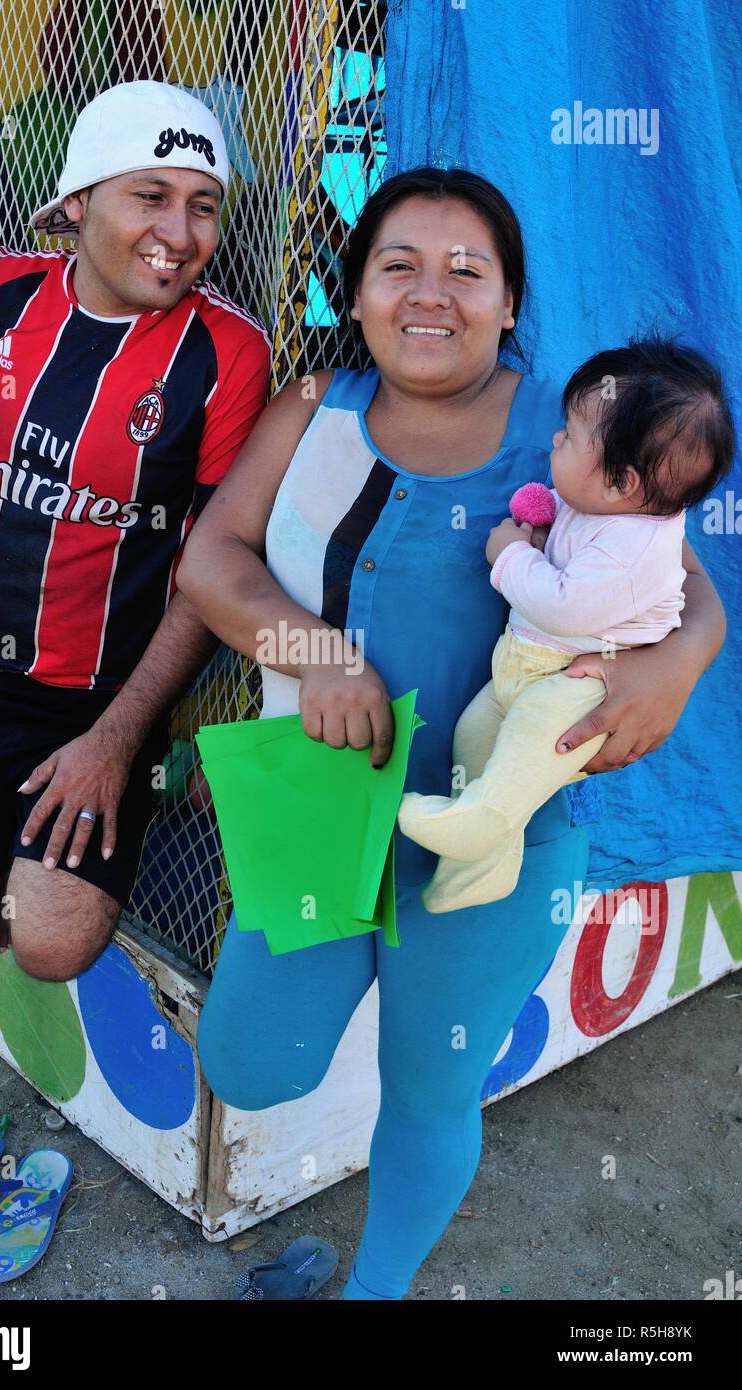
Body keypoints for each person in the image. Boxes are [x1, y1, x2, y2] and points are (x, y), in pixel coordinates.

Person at [176, 167, 727, 1300]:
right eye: (398, 267)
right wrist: (315, 653)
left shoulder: (573, 433)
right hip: (321, 814)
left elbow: (683, 590)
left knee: (429, 1088)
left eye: (465, 271)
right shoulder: (311, 408)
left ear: (510, 301)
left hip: (491, 836)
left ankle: (373, 1295)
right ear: (360, 292)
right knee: (245, 1057)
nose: (431, 294)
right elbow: (209, 560)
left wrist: (671, 668)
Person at [0, 80, 271, 1248]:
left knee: (49, 940)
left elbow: (212, 563)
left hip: (103, 696)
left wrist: (117, 737)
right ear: (77, 202)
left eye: (204, 205)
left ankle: (36, 863)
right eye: (151, 194)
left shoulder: (225, 355)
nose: (180, 230)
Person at [398, 336, 735, 912]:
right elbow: (567, 522)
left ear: (622, 482)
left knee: (531, 737)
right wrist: (544, 515)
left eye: (571, 437)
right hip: (527, 663)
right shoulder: (611, 503)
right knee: (476, 738)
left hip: (576, 684)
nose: (556, 439)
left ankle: (481, 824)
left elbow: (563, 606)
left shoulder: (635, 551)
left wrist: (508, 554)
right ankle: (478, 872)